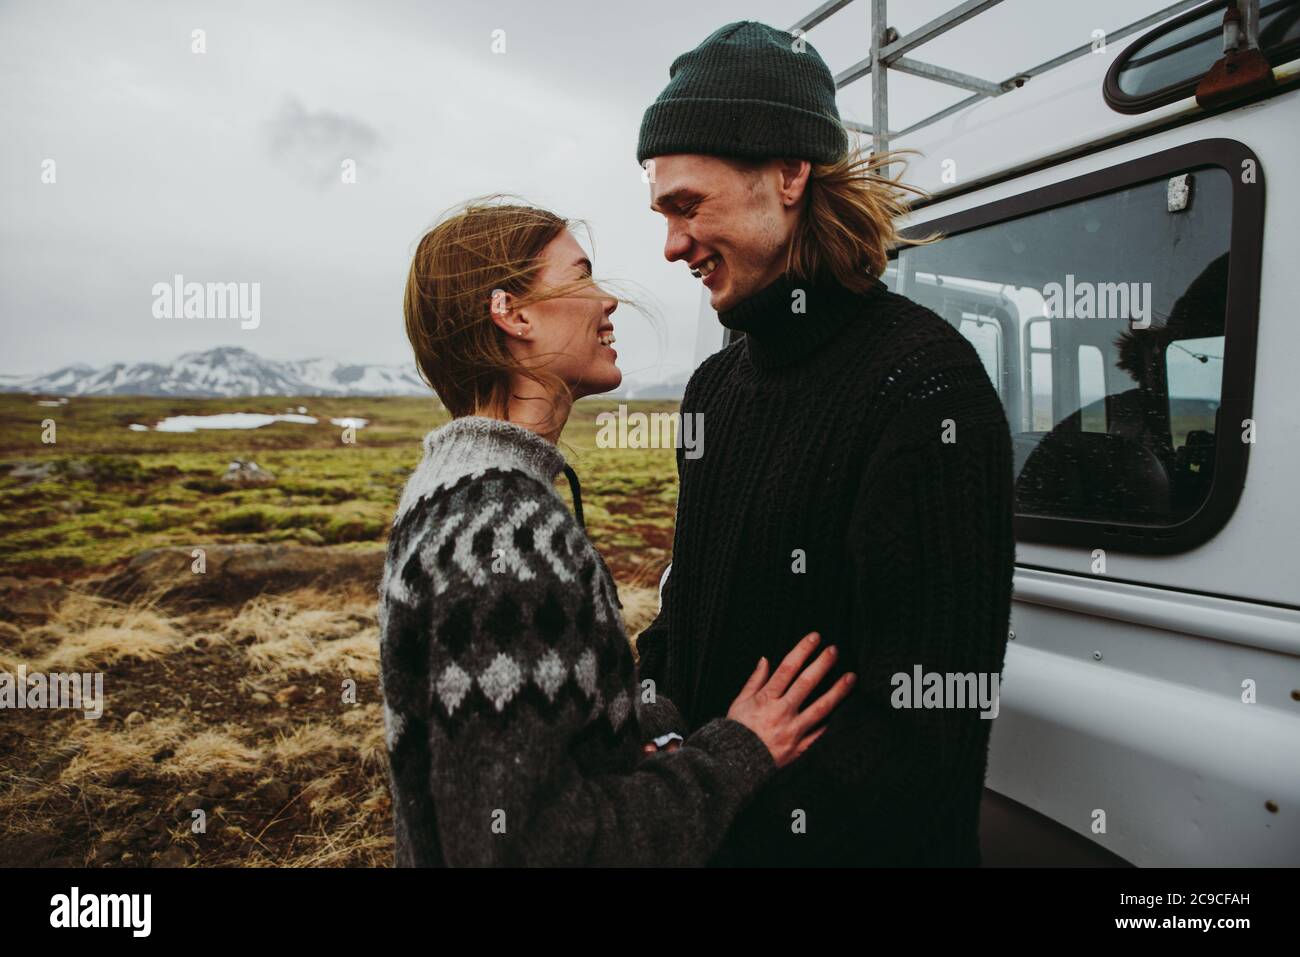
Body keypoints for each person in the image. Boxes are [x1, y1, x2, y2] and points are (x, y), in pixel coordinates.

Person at [634, 21, 1016, 865]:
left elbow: (929, 735)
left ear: (790, 173)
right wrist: (662, 739)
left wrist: (719, 824)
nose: (670, 245)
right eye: (662, 213)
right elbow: (680, 613)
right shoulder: (715, 389)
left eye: (687, 205)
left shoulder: (922, 386)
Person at [380, 198, 856, 866]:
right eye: (580, 276)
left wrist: (661, 716)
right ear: (512, 314)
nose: (608, 301)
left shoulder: (449, 492)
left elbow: (548, 741)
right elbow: (532, 848)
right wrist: (738, 751)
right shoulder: (503, 537)